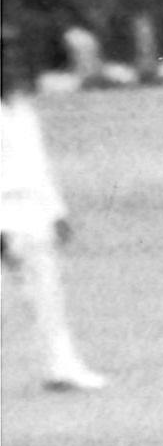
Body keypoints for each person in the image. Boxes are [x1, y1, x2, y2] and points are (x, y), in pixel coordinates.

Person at [0, 34, 106, 392]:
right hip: (5, 210)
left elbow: (38, 166)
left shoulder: (21, 108)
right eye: (6, 60)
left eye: (15, 60)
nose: (13, 68)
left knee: (46, 294)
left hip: (30, 211)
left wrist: (56, 212)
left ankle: (61, 366)